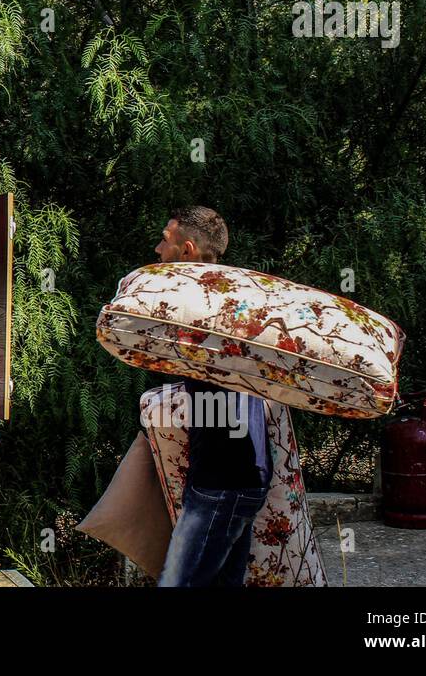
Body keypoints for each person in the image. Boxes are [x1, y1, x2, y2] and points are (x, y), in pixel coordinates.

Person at [153, 205, 271, 587]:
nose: (157, 249)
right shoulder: (235, 299)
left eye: (165, 240)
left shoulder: (202, 307)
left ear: (187, 250)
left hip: (223, 479)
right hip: (243, 473)